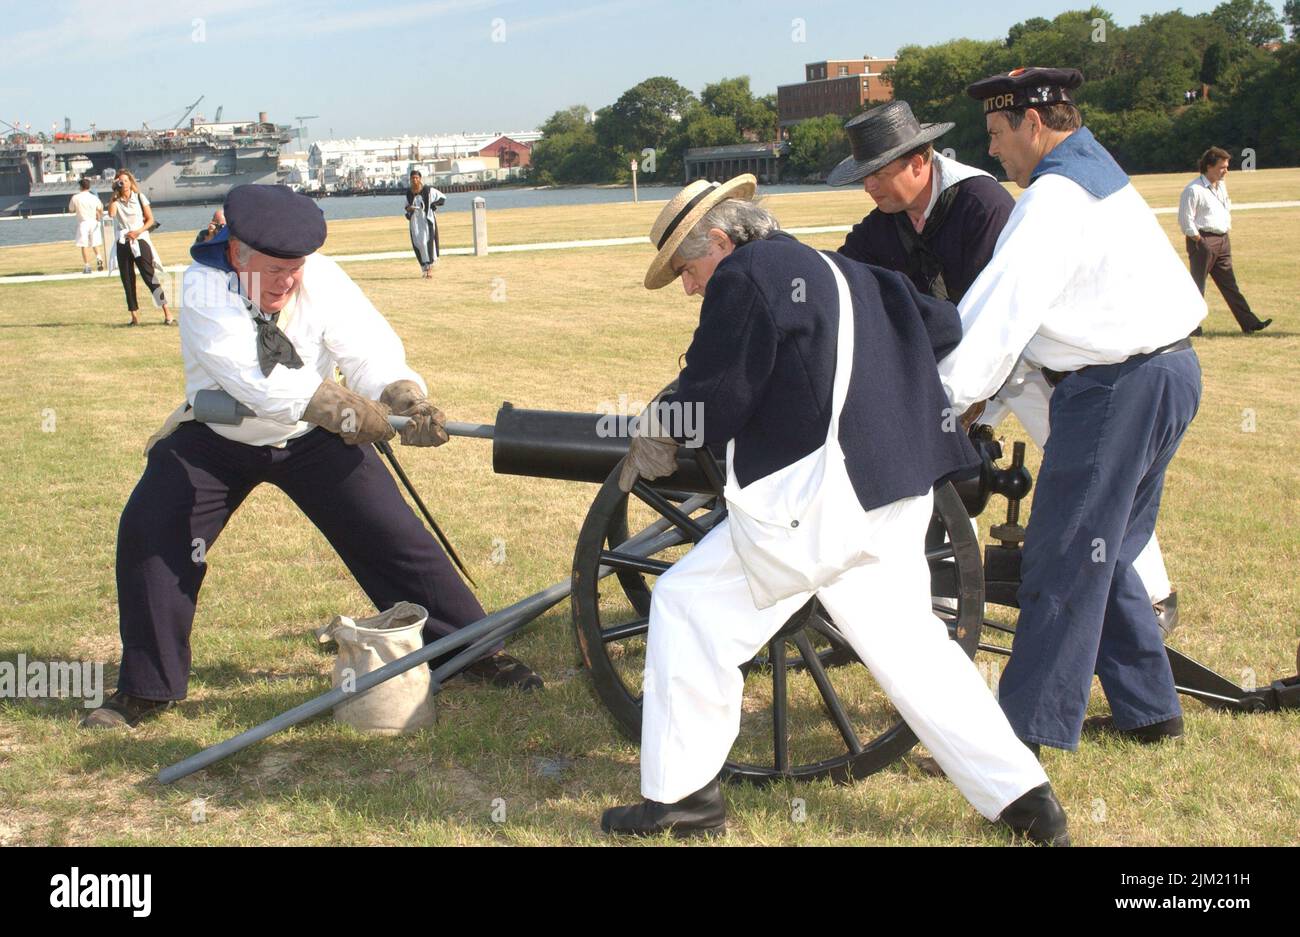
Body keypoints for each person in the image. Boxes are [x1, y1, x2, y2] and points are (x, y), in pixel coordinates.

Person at [602, 176, 1068, 844]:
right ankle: (1028, 798)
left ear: (723, 240)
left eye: (688, 266)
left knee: (683, 605)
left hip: (818, 505)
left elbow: (715, 402)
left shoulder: (747, 275)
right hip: (897, 487)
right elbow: (943, 324)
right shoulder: (846, 269)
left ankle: (685, 799)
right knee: (913, 652)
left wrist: (663, 420)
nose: (689, 285)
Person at [81, 184, 541, 730]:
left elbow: (365, 344)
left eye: (294, 268)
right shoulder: (204, 286)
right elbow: (255, 380)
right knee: (151, 533)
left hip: (311, 437)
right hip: (216, 437)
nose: (288, 281)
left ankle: (473, 650)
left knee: (394, 537)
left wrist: (400, 393)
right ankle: (147, 689)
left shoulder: (318, 275)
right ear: (236, 252)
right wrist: (343, 408)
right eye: (274, 270)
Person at [829, 100, 1181, 635]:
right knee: (953, 470)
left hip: (1034, 363)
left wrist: (962, 404)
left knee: (1094, 481)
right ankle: (945, 596)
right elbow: (847, 278)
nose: (870, 188)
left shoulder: (980, 204)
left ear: (919, 162)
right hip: (973, 361)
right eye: (864, 178)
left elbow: (1007, 317)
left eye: (877, 174)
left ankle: (1153, 597)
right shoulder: (887, 223)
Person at [940, 67, 1205, 755]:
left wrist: (940, 406)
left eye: (997, 134)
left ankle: (1018, 743)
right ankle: (1150, 710)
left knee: (1061, 558)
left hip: (1118, 388)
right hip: (1171, 371)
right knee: (1107, 548)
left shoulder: (1054, 196)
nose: (993, 151)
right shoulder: (1097, 170)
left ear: (1034, 123)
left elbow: (998, 321)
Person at [1179, 147, 1271, 334]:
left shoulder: (1221, 186)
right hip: (1203, 240)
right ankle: (1190, 327)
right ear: (1209, 166)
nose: (1226, 171)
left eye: (1226, 166)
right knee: (1197, 286)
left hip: (1222, 240)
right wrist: (1200, 241)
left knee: (1230, 285)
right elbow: (1185, 220)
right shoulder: (1193, 190)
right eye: (1222, 167)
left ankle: (1249, 323)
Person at [108, 170, 175, 326]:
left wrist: (137, 232)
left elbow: (150, 220)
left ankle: (167, 312)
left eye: (125, 180)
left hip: (140, 239)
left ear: (131, 182)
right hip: (123, 242)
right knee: (127, 279)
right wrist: (113, 195)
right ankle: (134, 316)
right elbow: (111, 214)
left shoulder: (139, 197)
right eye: (120, 181)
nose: (122, 183)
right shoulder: (116, 201)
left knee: (149, 276)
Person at [404, 170, 445, 278]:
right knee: (419, 244)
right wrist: (410, 209)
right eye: (413, 178)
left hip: (427, 220)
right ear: (410, 179)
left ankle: (430, 269)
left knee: (428, 243)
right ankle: (424, 268)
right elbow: (406, 207)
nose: (415, 180)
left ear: (420, 179)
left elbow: (442, 198)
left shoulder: (428, 190)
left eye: (416, 178)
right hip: (415, 222)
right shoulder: (409, 193)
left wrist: (433, 204)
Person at [68, 177, 105, 274]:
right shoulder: (94, 197)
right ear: (89, 186)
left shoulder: (75, 197)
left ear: (80, 186)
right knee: (95, 243)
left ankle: (87, 266)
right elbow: (101, 208)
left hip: (83, 223)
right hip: (93, 222)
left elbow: (71, 210)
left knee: (84, 245)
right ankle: (99, 258)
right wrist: (97, 214)